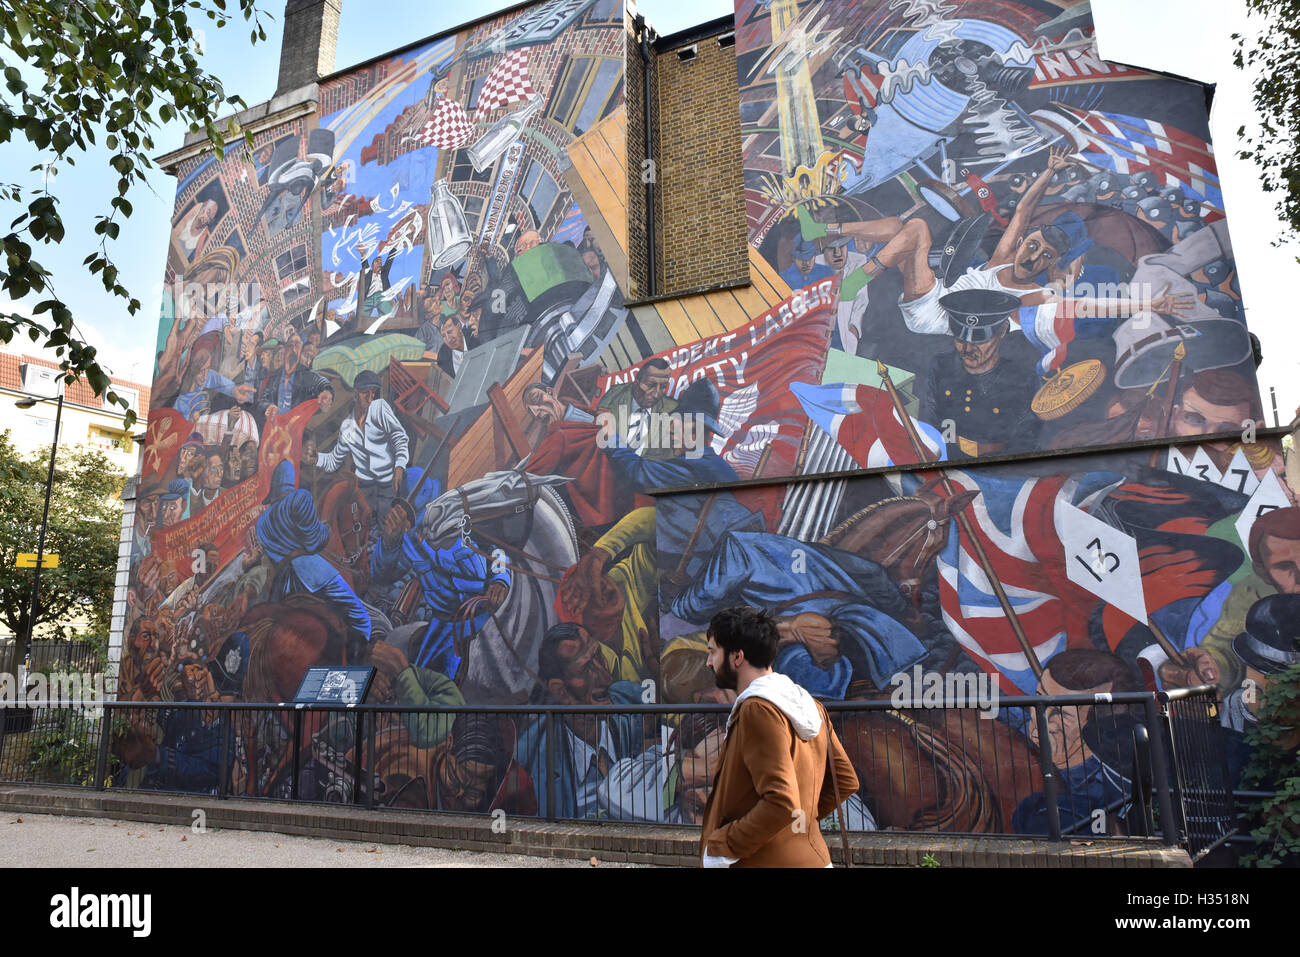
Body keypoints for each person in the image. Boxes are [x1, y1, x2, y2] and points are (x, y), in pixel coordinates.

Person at [698, 606, 860, 868]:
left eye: (713, 652)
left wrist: (721, 846)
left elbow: (781, 803)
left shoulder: (757, 709)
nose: (709, 662)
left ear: (737, 657)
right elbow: (845, 781)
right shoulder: (811, 705)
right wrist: (799, 822)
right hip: (814, 857)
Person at [920, 288, 1043, 458]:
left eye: (980, 340)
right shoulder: (940, 367)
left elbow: (1028, 441)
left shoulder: (1025, 380)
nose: (967, 349)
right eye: (960, 339)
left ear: (1002, 331)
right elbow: (928, 422)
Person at [314, 369, 410, 531]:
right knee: (360, 527)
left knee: (388, 525)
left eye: (373, 392)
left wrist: (400, 465)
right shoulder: (347, 428)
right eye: (365, 392)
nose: (370, 397)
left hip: (387, 482)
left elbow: (399, 437)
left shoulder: (379, 408)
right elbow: (334, 460)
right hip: (364, 486)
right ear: (355, 394)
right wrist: (316, 458)